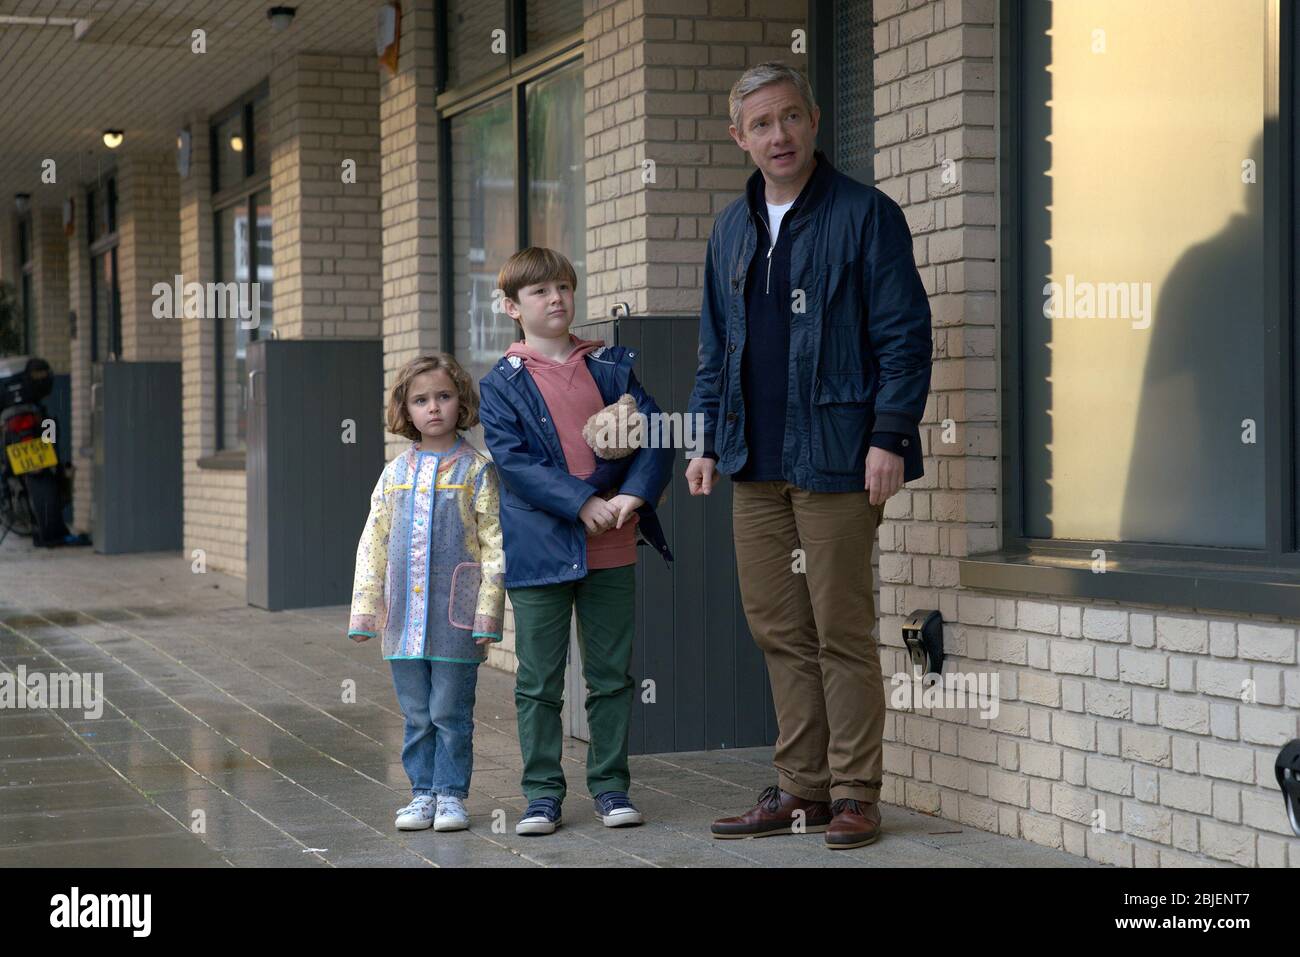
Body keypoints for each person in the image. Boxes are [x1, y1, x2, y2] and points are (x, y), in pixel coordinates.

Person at [686, 62, 932, 849]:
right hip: (752, 460)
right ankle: (801, 789)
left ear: (814, 121)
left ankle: (856, 790)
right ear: (740, 138)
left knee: (843, 628)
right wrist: (703, 439)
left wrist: (889, 436)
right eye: (761, 124)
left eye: (789, 117)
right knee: (779, 630)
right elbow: (713, 347)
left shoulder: (866, 215)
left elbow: (904, 336)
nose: (778, 134)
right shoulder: (731, 227)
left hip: (837, 454)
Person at [477, 246, 673, 836]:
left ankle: (612, 789)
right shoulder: (500, 383)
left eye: (563, 286)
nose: (556, 297)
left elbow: (656, 435)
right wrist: (580, 501)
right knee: (538, 681)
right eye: (539, 291)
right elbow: (512, 462)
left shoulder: (612, 367)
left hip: (612, 541)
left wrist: (632, 498)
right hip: (541, 548)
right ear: (512, 307)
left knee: (611, 676)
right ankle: (541, 795)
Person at [347, 353, 505, 833]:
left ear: (461, 402)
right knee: (417, 714)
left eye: (443, 396)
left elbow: (496, 545)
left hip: (455, 617)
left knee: (449, 712)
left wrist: (487, 614)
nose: (433, 407)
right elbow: (372, 542)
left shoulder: (477, 470)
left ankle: (452, 794)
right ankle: (421, 794)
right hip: (402, 618)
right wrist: (366, 610)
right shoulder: (393, 473)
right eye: (421, 400)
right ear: (406, 410)